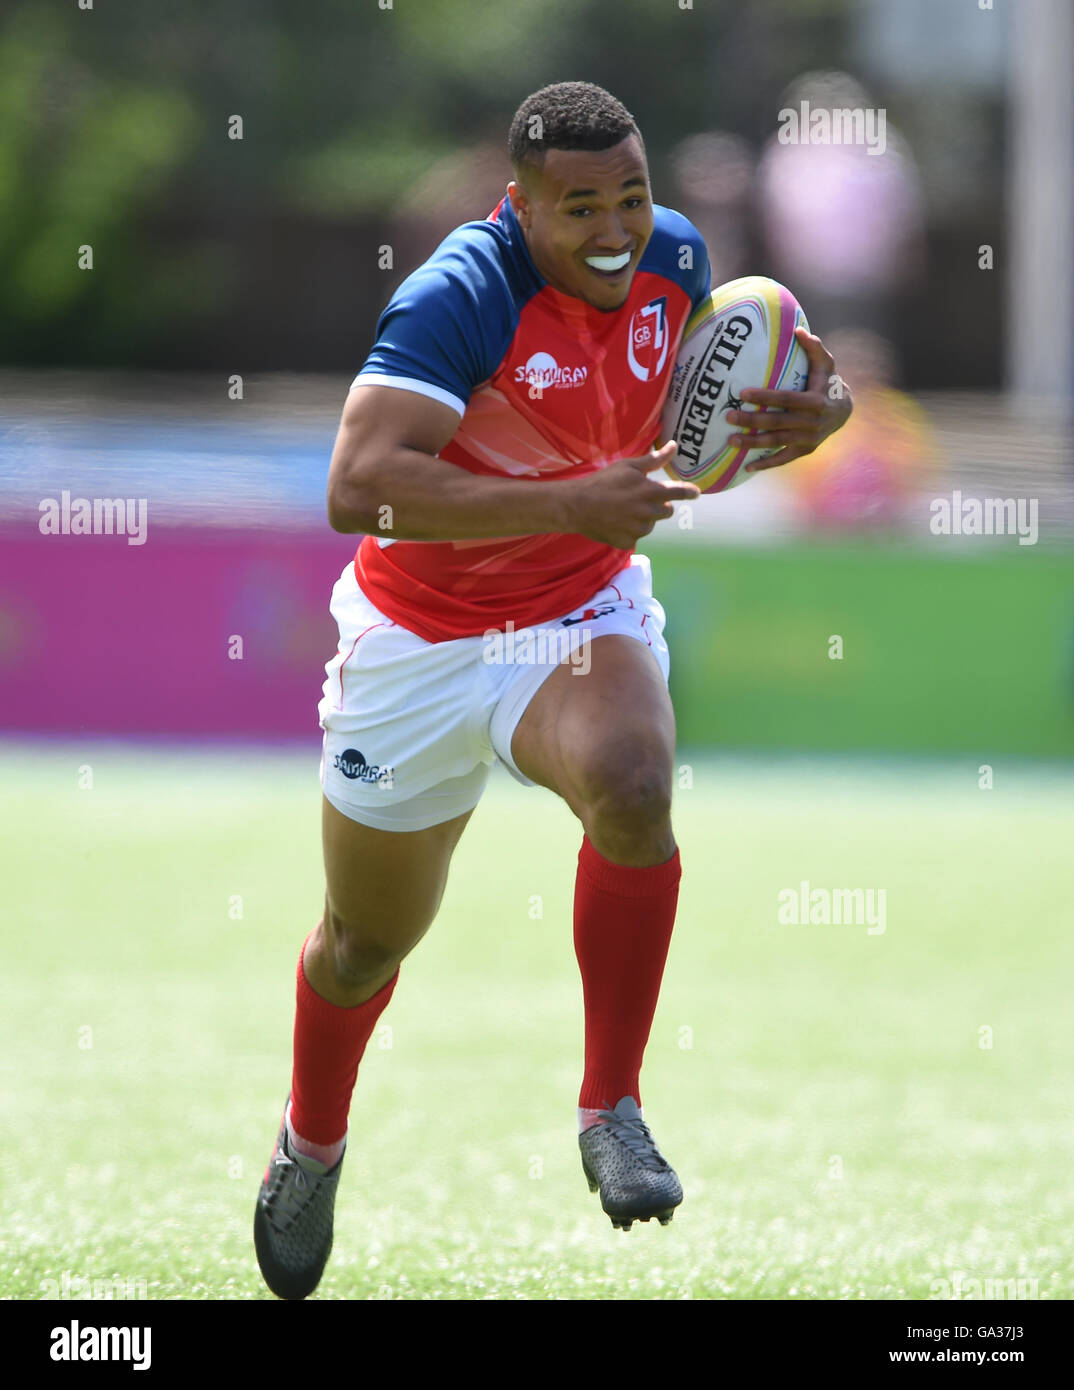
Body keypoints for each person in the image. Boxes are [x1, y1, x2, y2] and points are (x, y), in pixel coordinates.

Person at [253, 80, 852, 1300]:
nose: (616, 227)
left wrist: (817, 410)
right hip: (418, 642)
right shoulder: (458, 294)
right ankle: (313, 1140)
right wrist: (572, 498)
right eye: (579, 207)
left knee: (635, 784)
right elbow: (357, 487)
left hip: (577, 612)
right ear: (518, 205)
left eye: (629, 193)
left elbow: (725, 416)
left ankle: (612, 1104)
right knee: (365, 944)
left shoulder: (679, 264)